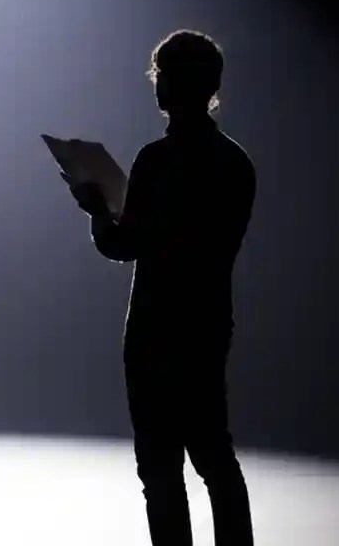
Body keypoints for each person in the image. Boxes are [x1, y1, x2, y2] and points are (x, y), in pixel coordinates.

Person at [69, 30, 256, 545]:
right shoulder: (236, 162)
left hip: (155, 329)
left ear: (170, 82)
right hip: (208, 321)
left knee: (161, 470)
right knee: (215, 458)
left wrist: (98, 212)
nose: (157, 82)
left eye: (161, 72)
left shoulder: (158, 159)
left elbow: (126, 245)